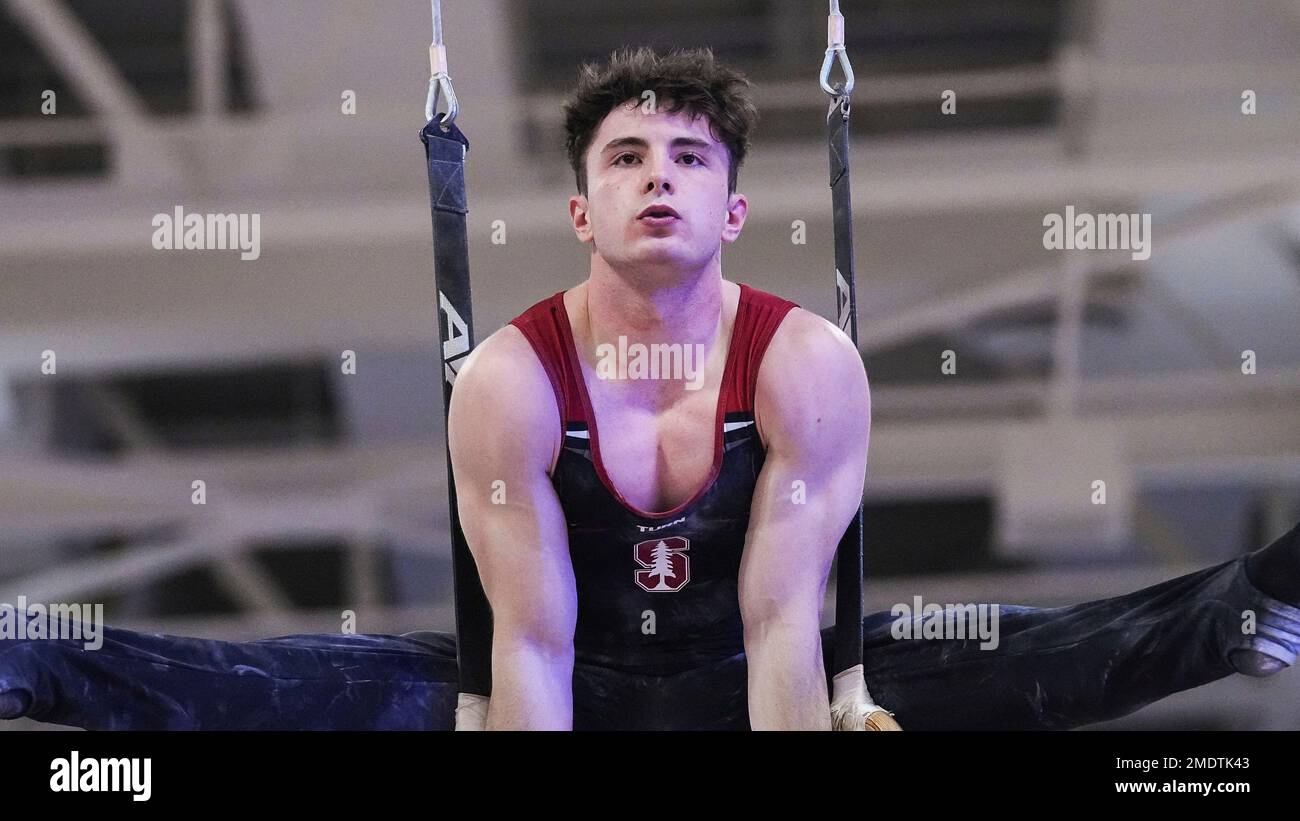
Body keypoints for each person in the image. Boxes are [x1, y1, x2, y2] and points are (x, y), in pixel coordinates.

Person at [2, 47, 1298, 731]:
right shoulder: (510, 380)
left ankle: (1260, 602)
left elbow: (789, 620)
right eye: (628, 156)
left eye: (688, 154)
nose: (659, 175)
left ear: (734, 205)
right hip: (562, 682)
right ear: (582, 205)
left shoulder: (804, 365)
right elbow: (532, 642)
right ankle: (23, 655)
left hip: (757, 671)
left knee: (1016, 665)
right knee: (278, 692)